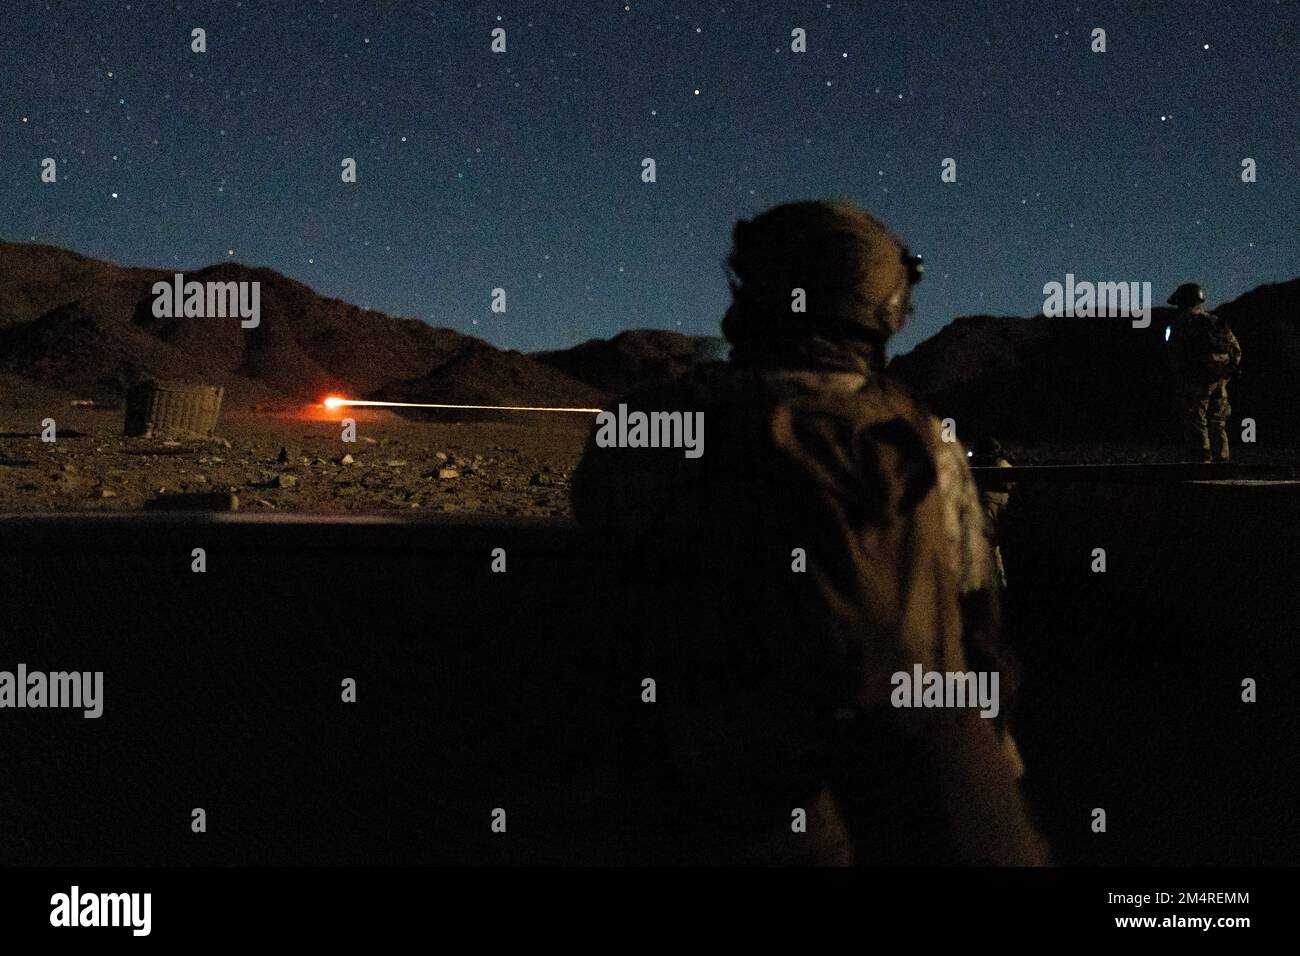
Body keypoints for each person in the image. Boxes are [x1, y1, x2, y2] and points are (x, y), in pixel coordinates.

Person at [572, 200, 1047, 865]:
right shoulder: (923, 438)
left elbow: (609, 571)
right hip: (924, 749)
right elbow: (977, 613)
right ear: (883, 306)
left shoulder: (647, 427)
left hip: (728, 761)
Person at [1165, 283, 1242, 462]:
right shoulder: (1214, 321)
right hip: (1220, 379)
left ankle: (1202, 460)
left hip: (1195, 380)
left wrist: (1182, 376)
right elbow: (1236, 351)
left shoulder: (1181, 324)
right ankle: (1222, 460)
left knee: (1196, 420)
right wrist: (1225, 374)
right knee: (1218, 421)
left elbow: (1176, 354)